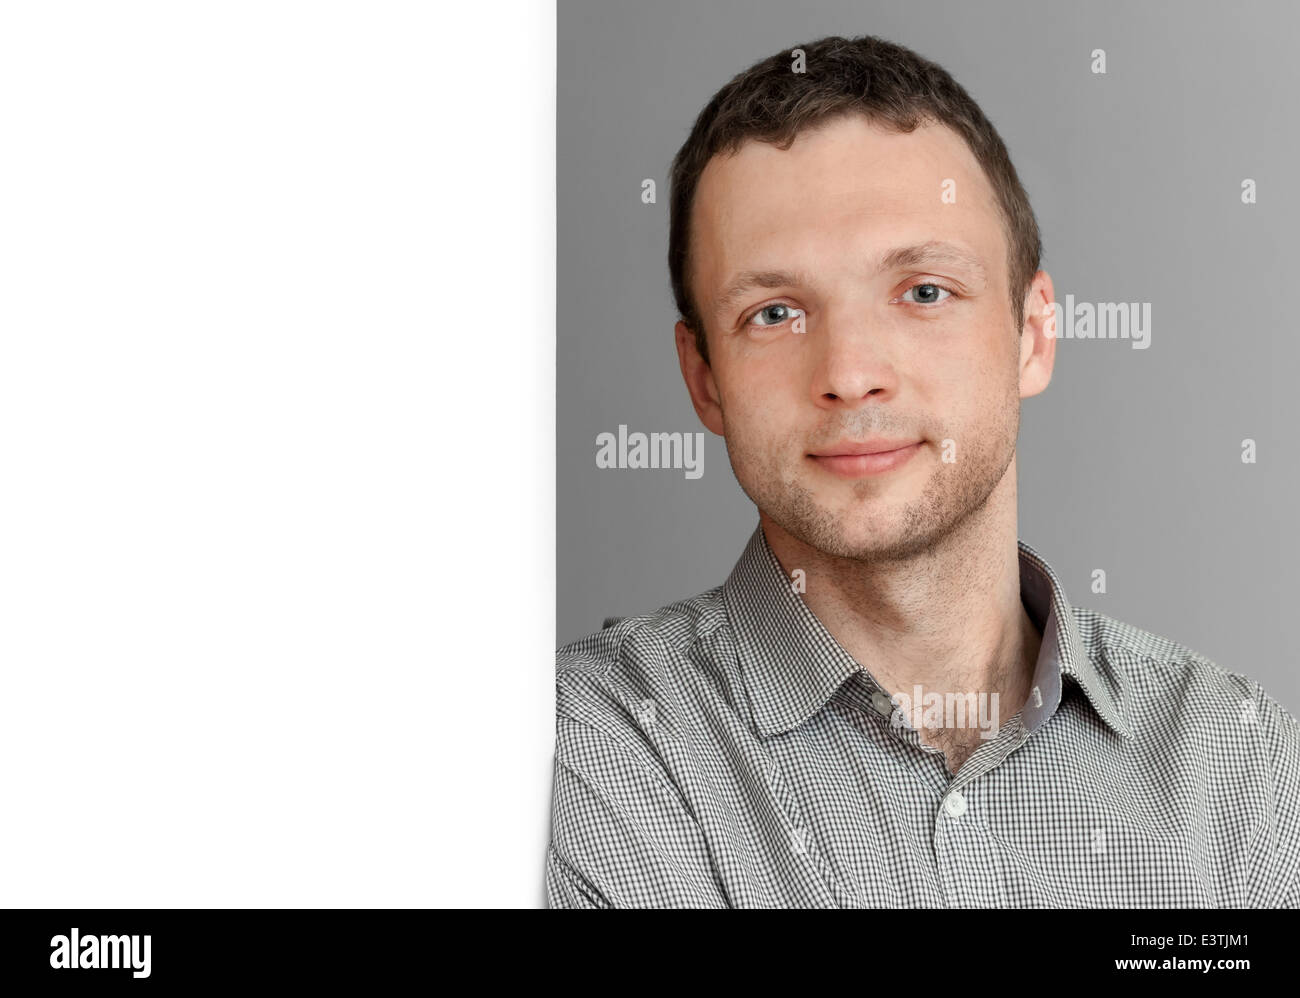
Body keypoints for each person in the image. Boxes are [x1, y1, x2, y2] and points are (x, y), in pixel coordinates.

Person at [546, 34, 1300, 907]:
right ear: (703, 378)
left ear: (1033, 333)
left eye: (924, 292)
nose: (849, 372)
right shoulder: (593, 748)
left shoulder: (1237, 765)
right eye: (775, 311)